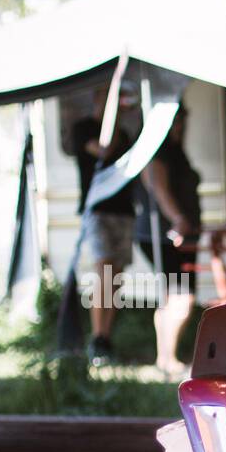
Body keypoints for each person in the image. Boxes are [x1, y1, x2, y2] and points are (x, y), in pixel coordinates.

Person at [72, 85, 139, 367]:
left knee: (116, 277)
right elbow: (102, 150)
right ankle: (97, 337)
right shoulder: (84, 128)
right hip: (97, 210)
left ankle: (106, 337)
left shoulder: (124, 134)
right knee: (105, 271)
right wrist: (112, 120)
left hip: (123, 211)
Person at [136, 103, 202, 379]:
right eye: (177, 120)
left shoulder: (175, 149)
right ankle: (168, 358)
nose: (181, 125)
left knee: (171, 295)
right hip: (166, 235)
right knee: (181, 296)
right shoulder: (158, 149)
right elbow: (157, 186)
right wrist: (178, 219)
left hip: (174, 235)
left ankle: (165, 357)